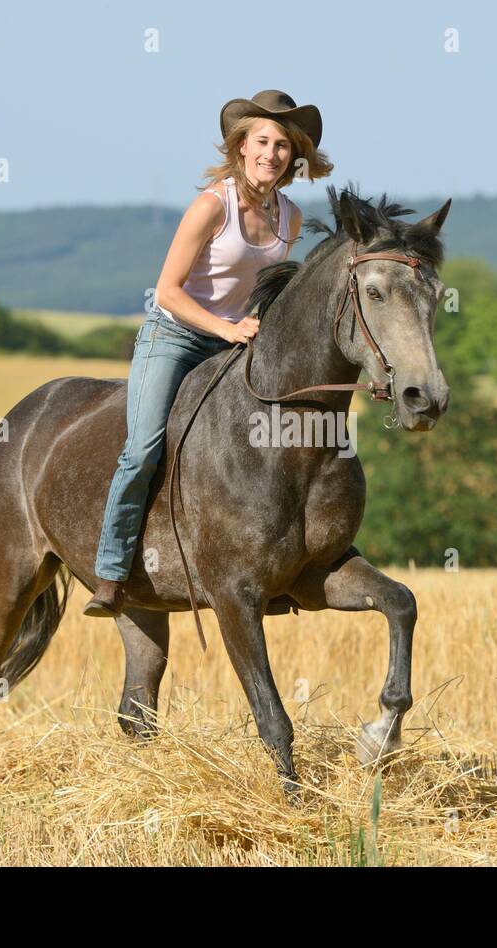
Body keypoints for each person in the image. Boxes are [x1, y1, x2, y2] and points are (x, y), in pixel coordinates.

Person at [85, 90, 334, 616]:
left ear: (295, 156)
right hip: (176, 336)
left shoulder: (289, 220)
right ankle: (110, 572)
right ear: (241, 146)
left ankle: (258, 566)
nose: (272, 152)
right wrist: (225, 329)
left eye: (283, 145)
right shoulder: (210, 206)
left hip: (238, 337)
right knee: (144, 447)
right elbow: (168, 291)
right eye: (262, 141)